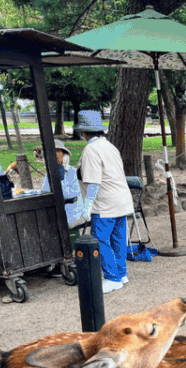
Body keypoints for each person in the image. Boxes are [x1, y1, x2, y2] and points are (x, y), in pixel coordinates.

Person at [74, 110, 133, 294]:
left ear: (83, 132)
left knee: (101, 240)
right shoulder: (109, 146)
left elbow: (93, 182)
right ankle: (121, 273)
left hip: (105, 202)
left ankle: (112, 277)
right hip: (121, 200)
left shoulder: (91, 150)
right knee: (118, 239)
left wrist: (87, 206)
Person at [40, 139, 88, 230]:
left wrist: (59, 178)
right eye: (51, 152)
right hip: (56, 213)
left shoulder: (73, 173)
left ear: (65, 155)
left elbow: (71, 196)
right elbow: (45, 193)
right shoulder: (49, 174)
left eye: (57, 151)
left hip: (72, 214)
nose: (54, 154)